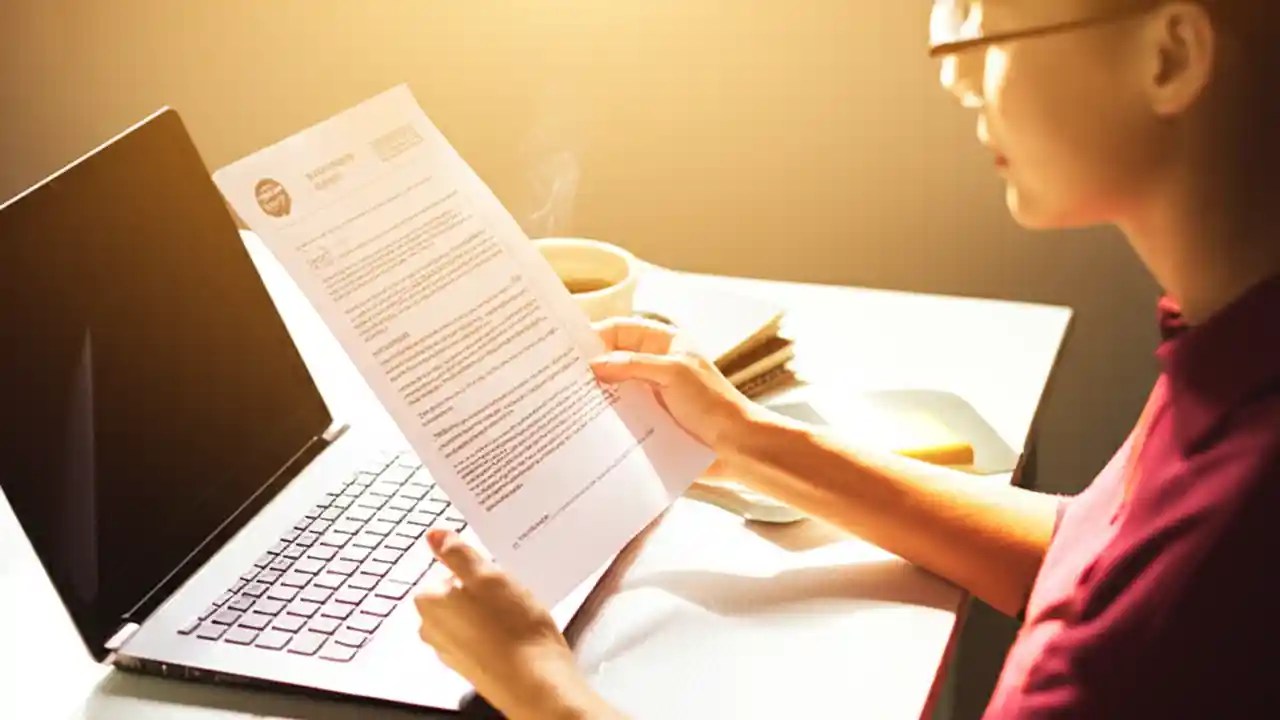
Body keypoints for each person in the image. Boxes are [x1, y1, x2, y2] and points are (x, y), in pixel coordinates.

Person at [413, 1, 1280, 717]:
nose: (956, 76)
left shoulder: (1226, 531)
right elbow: (1087, 553)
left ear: (1170, 55)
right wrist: (741, 438)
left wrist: (539, 687)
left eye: (984, 20)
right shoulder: (1233, 344)